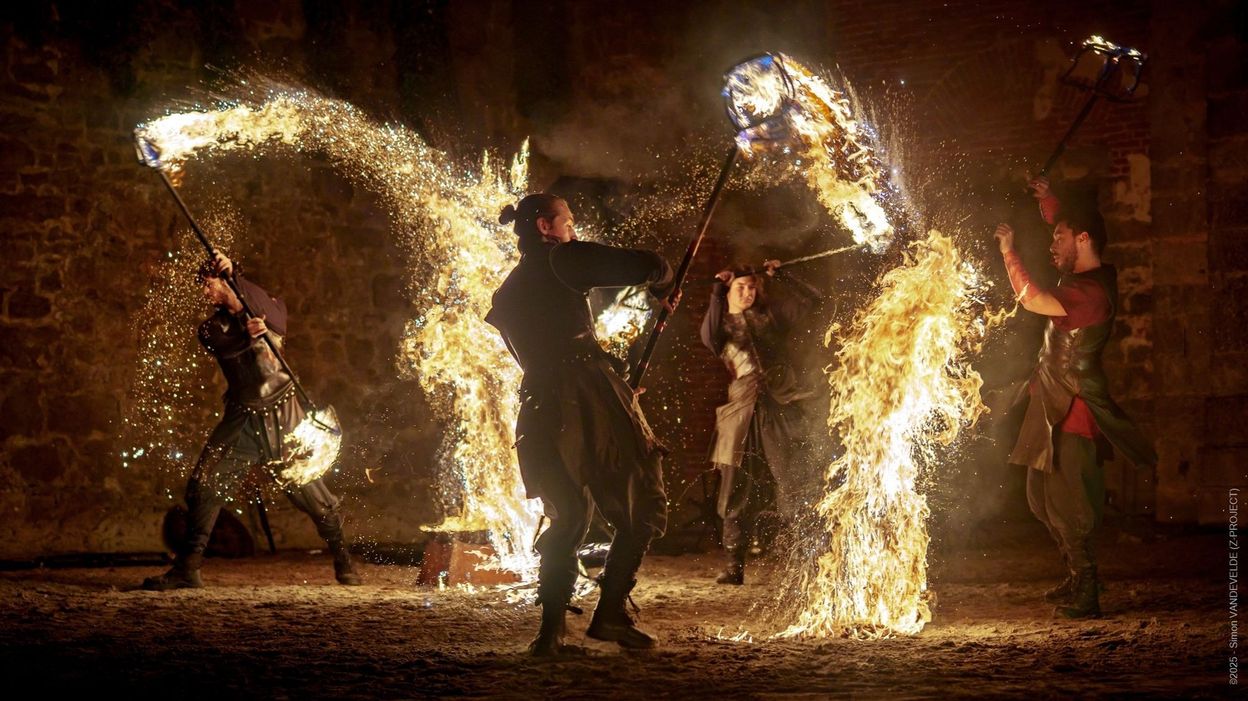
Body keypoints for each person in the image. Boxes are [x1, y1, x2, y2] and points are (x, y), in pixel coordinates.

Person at [485, 193, 674, 656]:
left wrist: (613, 379)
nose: (574, 229)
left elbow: (540, 356)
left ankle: (549, 634)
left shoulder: (506, 293)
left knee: (566, 516)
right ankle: (608, 616)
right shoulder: (562, 261)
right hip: (586, 400)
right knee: (640, 506)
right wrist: (663, 282)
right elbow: (649, 264)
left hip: (539, 404)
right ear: (547, 226)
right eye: (569, 222)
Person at [142, 253, 361, 590]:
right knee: (203, 483)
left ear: (224, 280)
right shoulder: (213, 328)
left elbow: (278, 317)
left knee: (311, 494)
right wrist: (249, 330)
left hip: (286, 416)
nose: (204, 292)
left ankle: (344, 561)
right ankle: (188, 567)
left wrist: (240, 289)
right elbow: (226, 343)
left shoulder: (260, 303)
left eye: (207, 283)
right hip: (243, 420)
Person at [994, 177, 1156, 618]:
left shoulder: (1091, 293)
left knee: (1067, 505)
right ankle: (1075, 575)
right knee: (1038, 499)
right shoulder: (1083, 275)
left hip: (1073, 409)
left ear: (1083, 239)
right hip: (1048, 400)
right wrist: (1048, 200)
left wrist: (1009, 252)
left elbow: (1032, 299)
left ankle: (1088, 590)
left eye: (1060, 238)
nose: (1053, 246)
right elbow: (1070, 221)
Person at [700, 261, 820, 585]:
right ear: (729, 291)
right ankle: (734, 566)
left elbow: (814, 302)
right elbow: (710, 338)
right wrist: (716, 289)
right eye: (741, 287)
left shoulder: (771, 318)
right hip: (741, 411)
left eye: (752, 287)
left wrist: (781, 275)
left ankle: (807, 564)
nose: (748, 292)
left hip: (779, 406)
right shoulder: (721, 324)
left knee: (793, 481)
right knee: (736, 487)